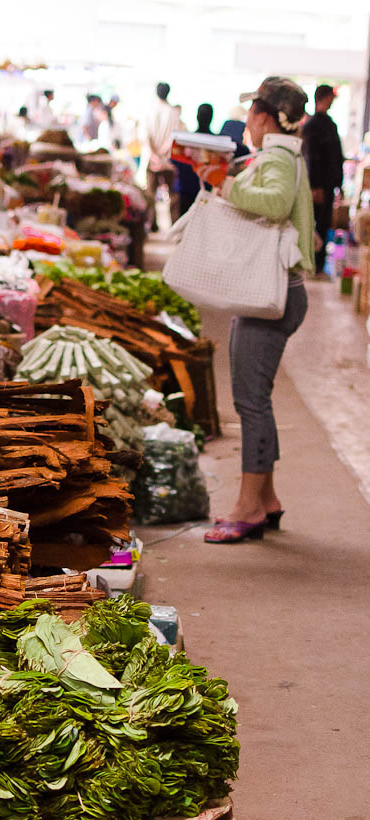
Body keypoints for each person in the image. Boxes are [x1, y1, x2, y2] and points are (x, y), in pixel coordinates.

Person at [204, 77, 313, 544]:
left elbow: (275, 203)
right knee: (257, 397)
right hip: (270, 291)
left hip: (272, 294)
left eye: (251, 114)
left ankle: (247, 508)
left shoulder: (279, 157)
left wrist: (224, 186)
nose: (247, 122)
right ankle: (266, 499)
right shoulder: (279, 156)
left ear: (264, 116)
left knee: (249, 401)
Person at [302, 84, 344, 274]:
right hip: (317, 185)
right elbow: (311, 157)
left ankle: (318, 263)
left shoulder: (329, 124)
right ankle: (310, 262)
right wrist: (314, 185)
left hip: (327, 184)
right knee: (313, 223)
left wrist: (338, 184)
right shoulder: (312, 126)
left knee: (324, 222)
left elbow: (335, 156)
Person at [146, 82, 182, 231]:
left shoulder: (149, 111)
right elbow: (174, 137)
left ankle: (152, 225)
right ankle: (174, 226)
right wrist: (163, 154)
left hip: (152, 159)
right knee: (173, 195)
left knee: (150, 194)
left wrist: (154, 154)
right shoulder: (174, 112)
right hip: (169, 160)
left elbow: (146, 136)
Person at [177, 103, 216, 214]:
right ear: (211, 118)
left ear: (197, 117)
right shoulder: (218, 144)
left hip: (186, 193)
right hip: (208, 194)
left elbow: (176, 163)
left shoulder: (185, 142)